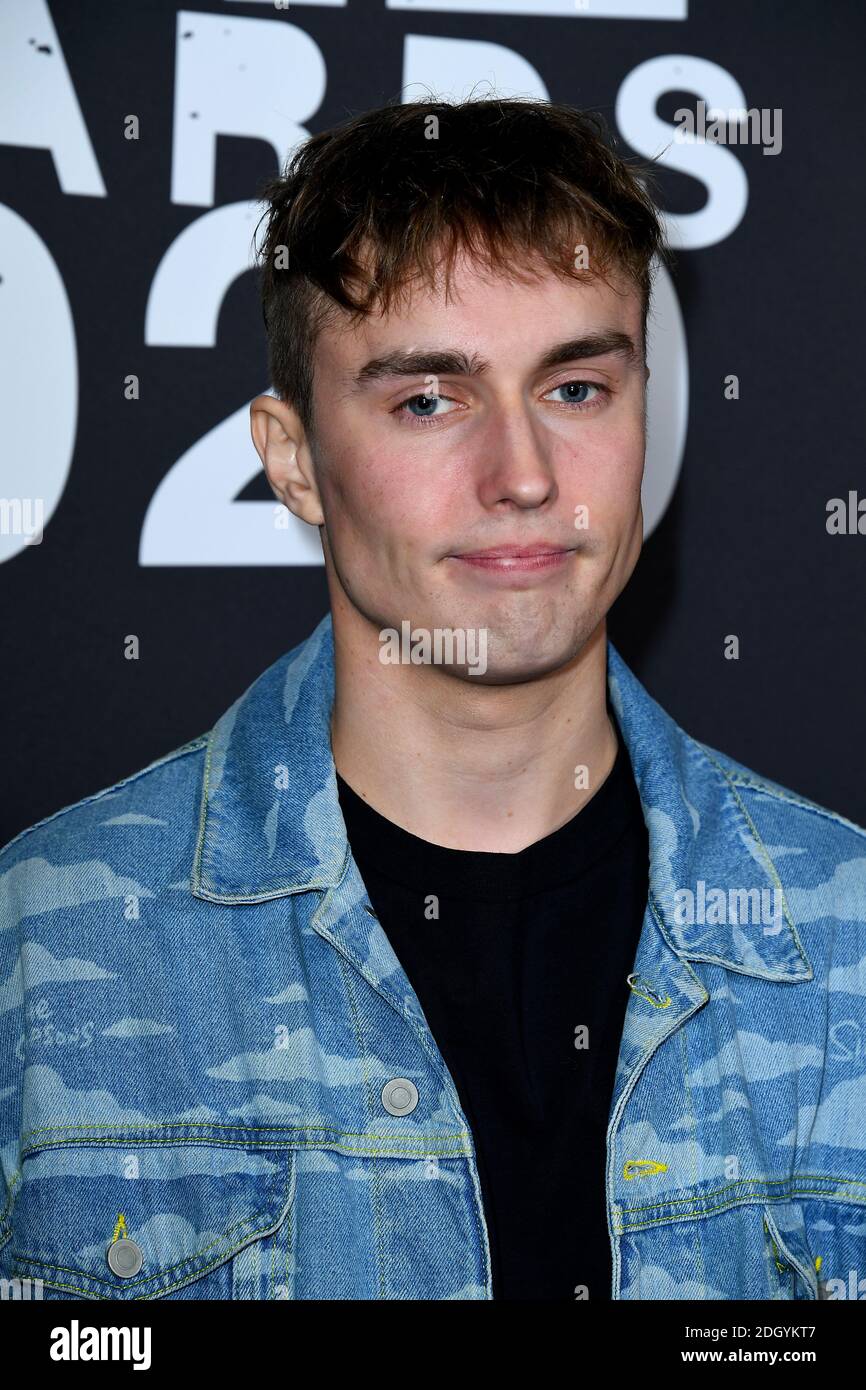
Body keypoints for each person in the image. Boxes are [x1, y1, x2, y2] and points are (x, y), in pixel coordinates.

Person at [1, 99, 864, 1303]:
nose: (522, 477)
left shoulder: (844, 944)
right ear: (291, 456)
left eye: (574, 389)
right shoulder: (42, 943)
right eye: (427, 400)